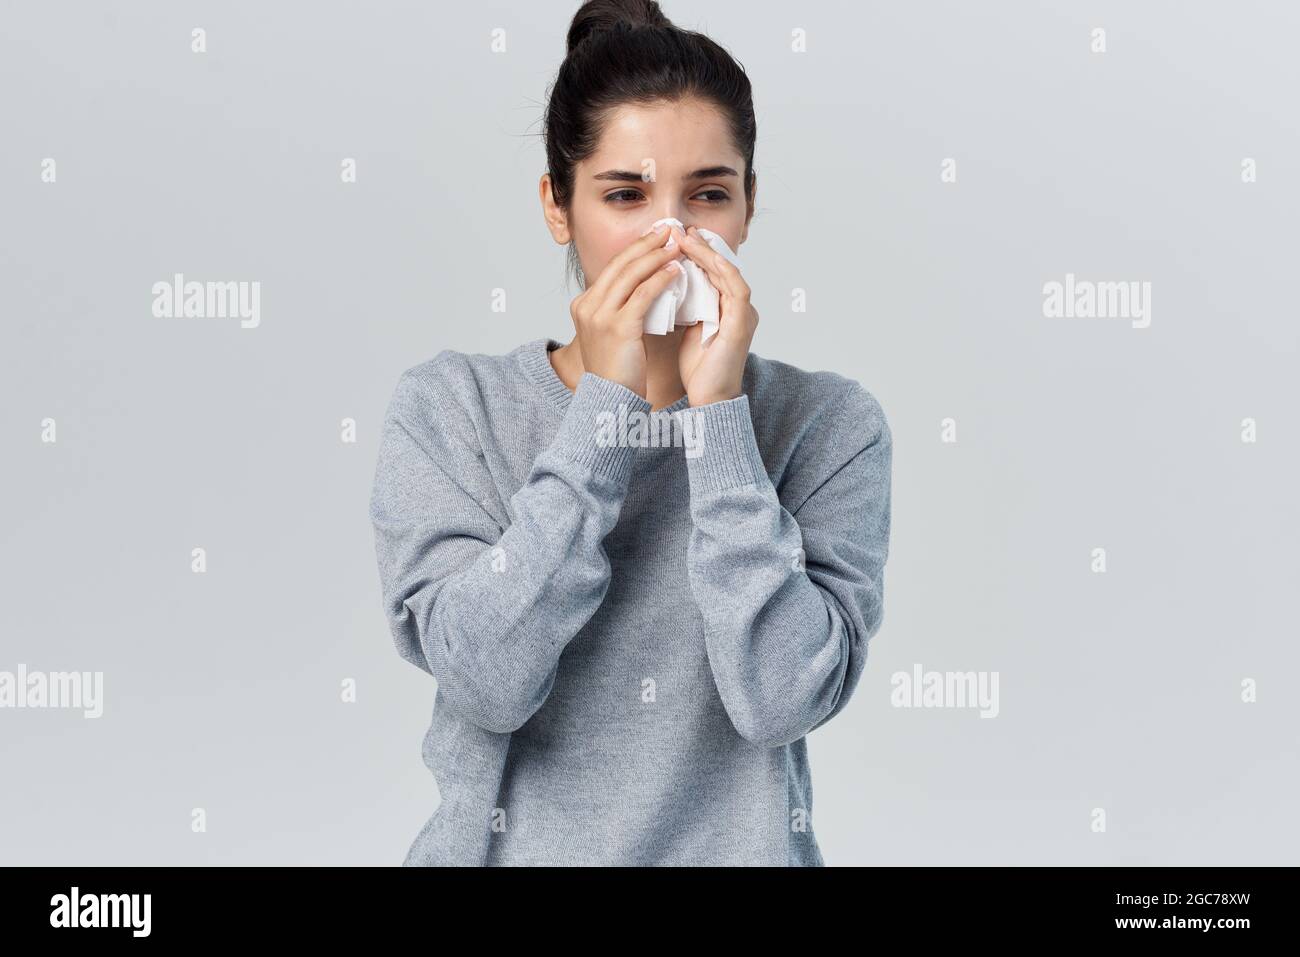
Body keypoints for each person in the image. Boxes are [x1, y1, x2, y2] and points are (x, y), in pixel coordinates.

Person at [368, 0, 892, 866]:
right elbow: (485, 679)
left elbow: (781, 700)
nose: (671, 235)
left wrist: (718, 419)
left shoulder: (830, 425)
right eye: (625, 194)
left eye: (709, 194)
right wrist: (606, 411)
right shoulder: (452, 409)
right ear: (558, 206)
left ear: (749, 208)